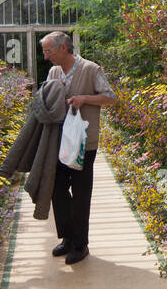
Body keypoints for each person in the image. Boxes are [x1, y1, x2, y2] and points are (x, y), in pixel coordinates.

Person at [40, 31, 119, 265]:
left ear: (64, 48)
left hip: (84, 142)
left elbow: (110, 97)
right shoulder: (54, 71)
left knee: (81, 192)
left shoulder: (90, 69)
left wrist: (84, 98)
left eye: (48, 51)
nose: (45, 56)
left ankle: (80, 244)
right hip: (60, 140)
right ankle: (67, 237)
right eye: (44, 51)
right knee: (57, 189)